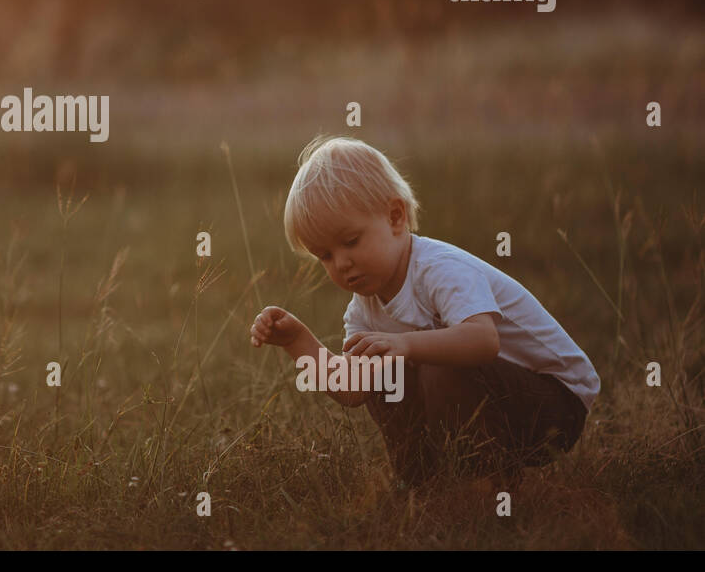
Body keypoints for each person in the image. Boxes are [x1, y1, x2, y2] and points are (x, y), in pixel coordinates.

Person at [250, 134, 600, 490]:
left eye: (351, 241)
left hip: (555, 406)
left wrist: (408, 345)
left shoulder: (439, 268)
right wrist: (298, 341)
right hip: (503, 402)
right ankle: (423, 483)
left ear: (395, 217)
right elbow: (353, 389)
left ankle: (486, 480)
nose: (341, 263)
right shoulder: (364, 309)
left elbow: (483, 340)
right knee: (382, 365)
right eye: (324, 256)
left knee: (432, 362)